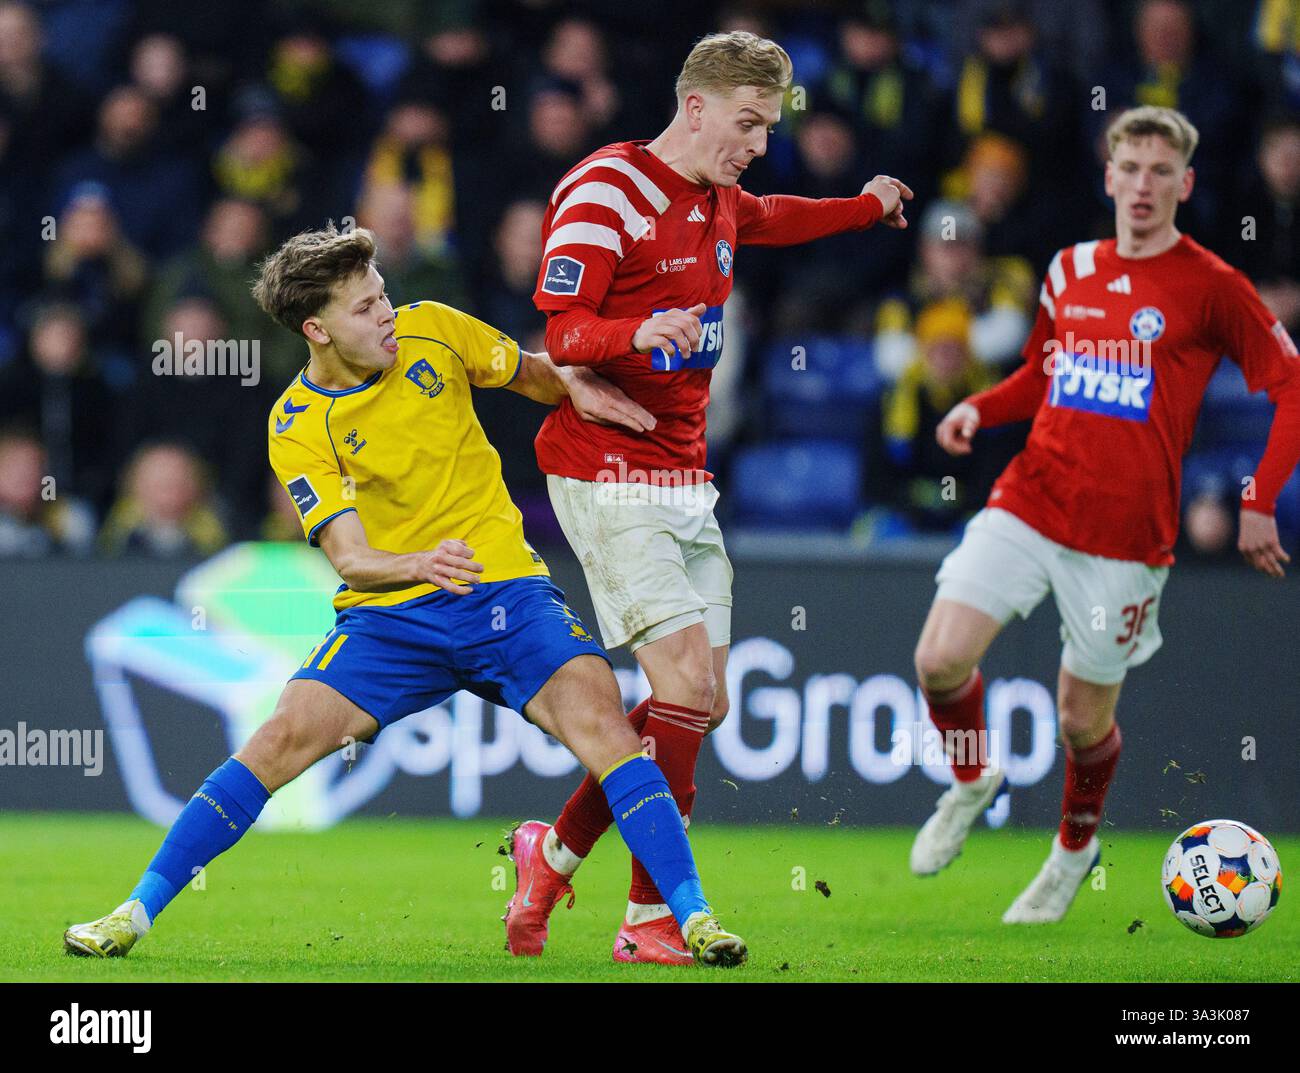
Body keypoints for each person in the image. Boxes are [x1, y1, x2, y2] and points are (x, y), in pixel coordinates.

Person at [62, 224, 747, 968]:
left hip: (507, 593)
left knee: (609, 732)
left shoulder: (434, 330)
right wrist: (421, 560)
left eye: (383, 293)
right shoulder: (297, 423)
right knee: (276, 739)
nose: (387, 313)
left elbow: (539, 377)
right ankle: (133, 911)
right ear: (317, 329)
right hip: (394, 616)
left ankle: (691, 917)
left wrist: (602, 395)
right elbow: (351, 559)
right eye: (364, 308)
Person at [503, 29, 911, 966]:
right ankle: (650, 917)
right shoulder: (606, 189)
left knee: (702, 703)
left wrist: (863, 204)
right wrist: (641, 330)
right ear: (696, 106)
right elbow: (563, 330)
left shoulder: (720, 199)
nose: (759, 142)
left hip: (687, 473)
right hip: (604, 468)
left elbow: (776, 214)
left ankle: (552, 851)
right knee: (681, 688)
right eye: (748, 123)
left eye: (768, 126)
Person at [908, 106, 1300, 924]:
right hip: (1032, 495)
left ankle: (1073, 849)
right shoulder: (1069, 267)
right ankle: (974, 776)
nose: (1145, 185)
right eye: (1132, 167)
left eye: (1163, 171)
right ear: (1110, 174)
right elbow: (1041, 372)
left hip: (1125, 538)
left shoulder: (1211, 285)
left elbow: (1289, 383)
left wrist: (1259, 499)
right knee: (939, 659)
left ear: (1186, 183)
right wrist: (982, 406)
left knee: (1081, 719)